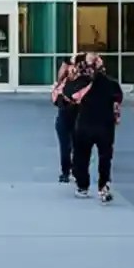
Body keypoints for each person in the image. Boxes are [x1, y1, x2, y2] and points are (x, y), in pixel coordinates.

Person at [65, 53, 123, 203]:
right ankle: (103, 185)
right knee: (105, 157)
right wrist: (116, 116)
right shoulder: (111, 84)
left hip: (85, 125)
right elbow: (117, 101)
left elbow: (69, 96)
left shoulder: (80, 83)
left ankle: (83, 186)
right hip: (105, 125)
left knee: (81, 156)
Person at [50, 54, 85, 183]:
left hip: (79, 119)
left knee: (78, 147)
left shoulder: (84, 83)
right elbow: (56, 100)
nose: (71, 71)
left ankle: (76, 170)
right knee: (65, 147)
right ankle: (65, 171)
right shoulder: (62, 84)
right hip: (64, 118)